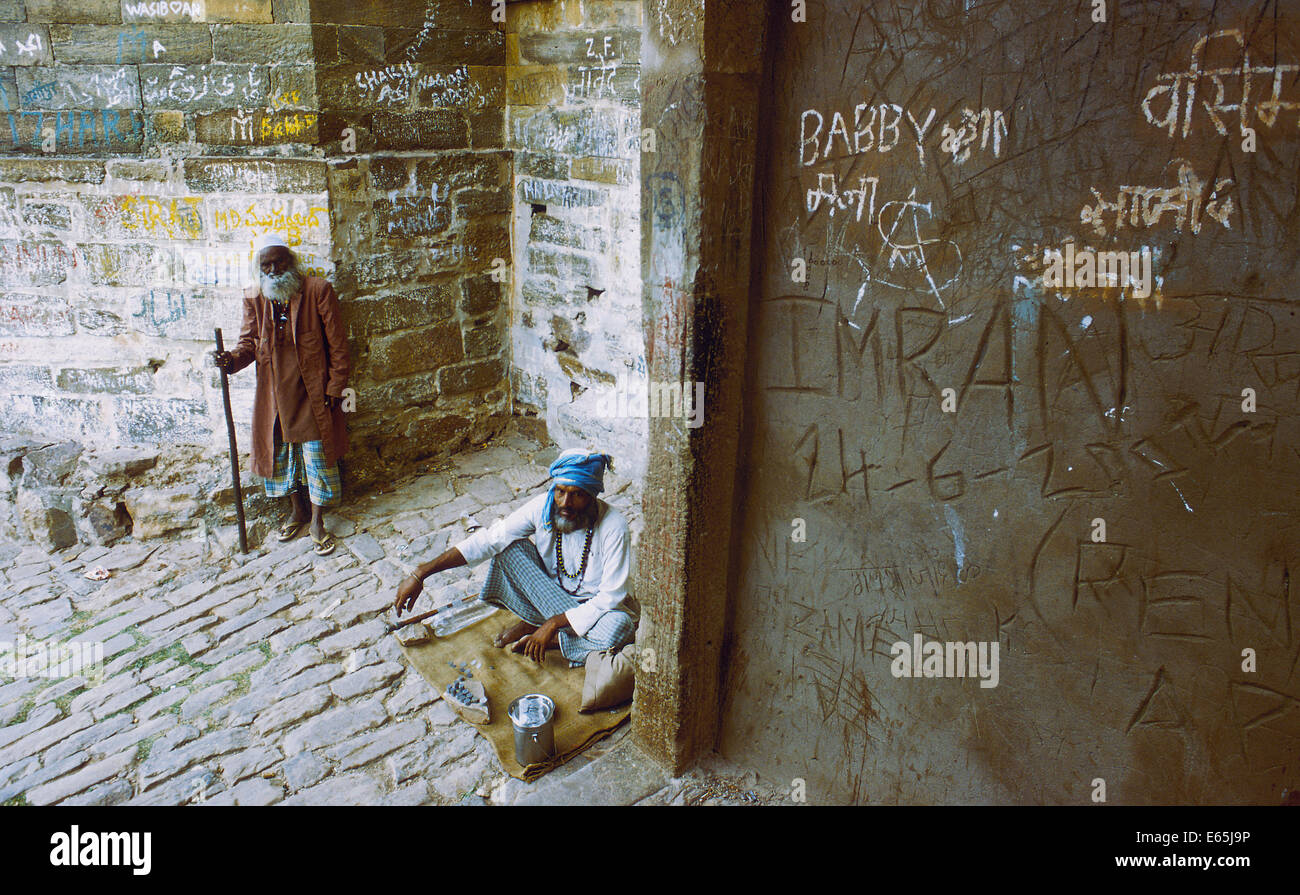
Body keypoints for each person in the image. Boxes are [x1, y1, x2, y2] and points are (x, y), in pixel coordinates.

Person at [394, 449, 636, 666]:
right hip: (548, 596)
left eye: (577, 495)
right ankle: (540, 626)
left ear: (592, 496)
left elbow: (610, 597)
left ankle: (553, 639)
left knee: (621, 628)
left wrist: (552, 624)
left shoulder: (613, 525)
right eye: (560, 492)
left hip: (589, 610)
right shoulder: (543, 507)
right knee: (508, 548)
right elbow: (489, 540)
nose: (565, 503)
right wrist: (421, 573)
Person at [214, 234, 350, 556]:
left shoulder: (318, 291)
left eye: (279, 262)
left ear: (291, 262)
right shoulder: (255, 297)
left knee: (316, 456)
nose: (273, 269)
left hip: (312, 390)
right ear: (259, 268)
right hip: (275, 393)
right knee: (282, 456)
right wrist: (231, 361)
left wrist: (335, 386)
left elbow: (339, 347)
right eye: (266, 265)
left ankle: (317, 519)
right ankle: (297, 511)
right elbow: (248, 342)